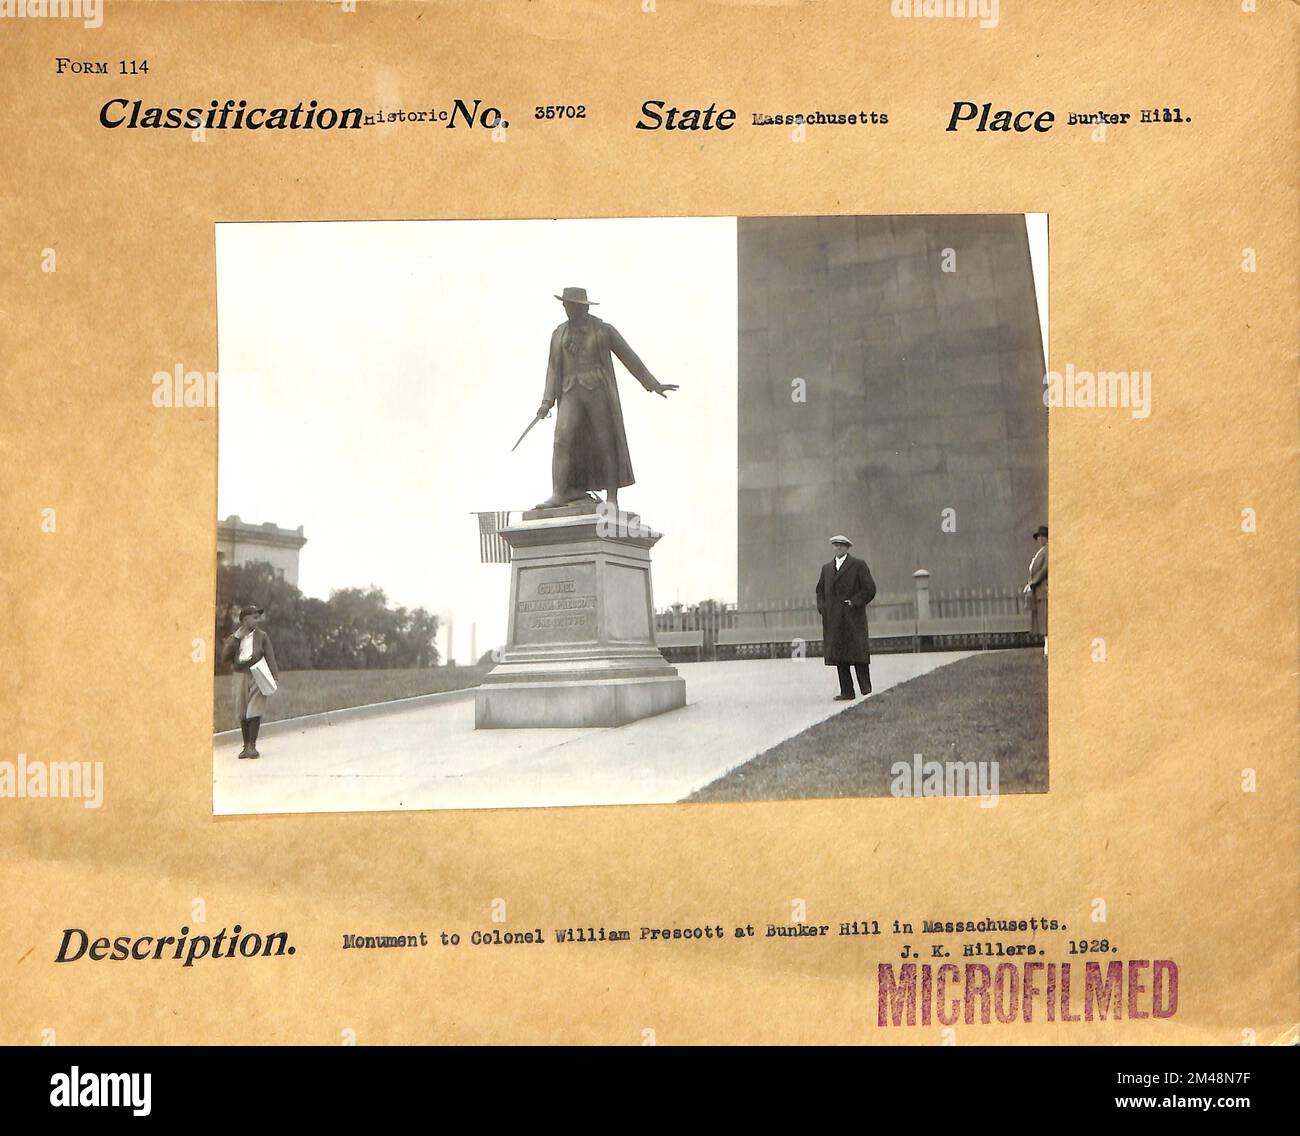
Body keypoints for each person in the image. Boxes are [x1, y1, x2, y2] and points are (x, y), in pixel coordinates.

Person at [533, 286, 679, 510]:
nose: (565, 308)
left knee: (606, 443)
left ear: (580, 307)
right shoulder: (558, 334)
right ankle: (559, 493)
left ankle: (612, 499)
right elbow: (552, 370)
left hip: (597, 391)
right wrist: (546, 402)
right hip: (570, 391)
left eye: (569, 304)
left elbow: (629, 357)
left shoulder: (603, 330)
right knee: (561, 441)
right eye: (564, 304)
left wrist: (652, 384)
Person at [816, 535, 877, 701]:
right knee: (839, 655)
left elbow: (869, 589)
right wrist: (823, 608)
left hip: (852, 618)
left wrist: (854, 602)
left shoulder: (858, 565)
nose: (837, 548)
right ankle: (847, 692)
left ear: (847, 547)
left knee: (858, 654)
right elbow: (819, 590)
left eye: (841, 545)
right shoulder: (826, 569)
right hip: (834, 619)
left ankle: (866, 690)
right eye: (835, 545)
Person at [221, 603, 278, 759]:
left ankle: (252, 746)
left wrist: (274, 676)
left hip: (257, 674)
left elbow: (270, 656)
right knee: (242, 710)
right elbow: (224, 657)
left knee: (255, 709)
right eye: (254, 618)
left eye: (258, 617)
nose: (258, 620)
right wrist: (235, 640)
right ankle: (245, 746)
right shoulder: (235, 637)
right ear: (245, 620)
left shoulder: (262, 636)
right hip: (240, 675)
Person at [1024, 525, 1048, 653]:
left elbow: (1044, 569)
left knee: (1045, 618)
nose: (1040, 539)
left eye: (1042, 537)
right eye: (1038, 537)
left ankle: (1048, 648)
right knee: (1042, 618)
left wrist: (1033, 582)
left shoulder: (1048, 551)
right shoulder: (1040, 552)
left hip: (1043, 589)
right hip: (1038, 590)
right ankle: (1046, 647)